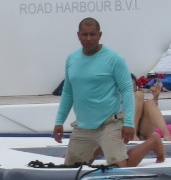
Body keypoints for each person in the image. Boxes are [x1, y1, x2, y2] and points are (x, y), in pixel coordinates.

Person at [52, 18, 135, 167]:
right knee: (71, 169)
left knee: (120, 168)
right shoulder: (72, 59)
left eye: (92, 34)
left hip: (109, 123)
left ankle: (152, 143)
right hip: (83, 126)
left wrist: (129, 122)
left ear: (99, 35)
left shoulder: (114, 59)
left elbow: (127, 90)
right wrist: (59, 121)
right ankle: (101, 149)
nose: (89, 38)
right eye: (85, 34)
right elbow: (68, 92)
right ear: (78, 35)